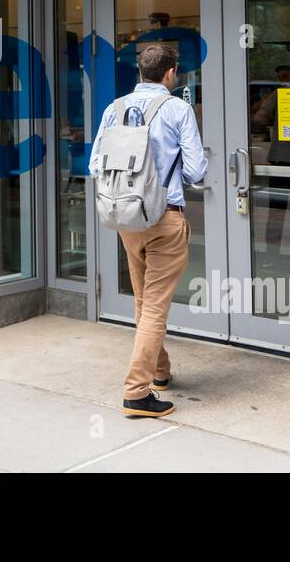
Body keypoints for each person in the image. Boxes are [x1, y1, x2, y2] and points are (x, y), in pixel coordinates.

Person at [89, 43, 207, 418]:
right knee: (155, 307)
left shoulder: (115, 108)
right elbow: (197, 169)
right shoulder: (178, 108)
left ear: (140, 72)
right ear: (171, 73)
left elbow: (95, 164)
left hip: (126, 219)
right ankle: (137, 392)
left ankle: (159, 372)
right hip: (165, 219)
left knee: (144, 302)